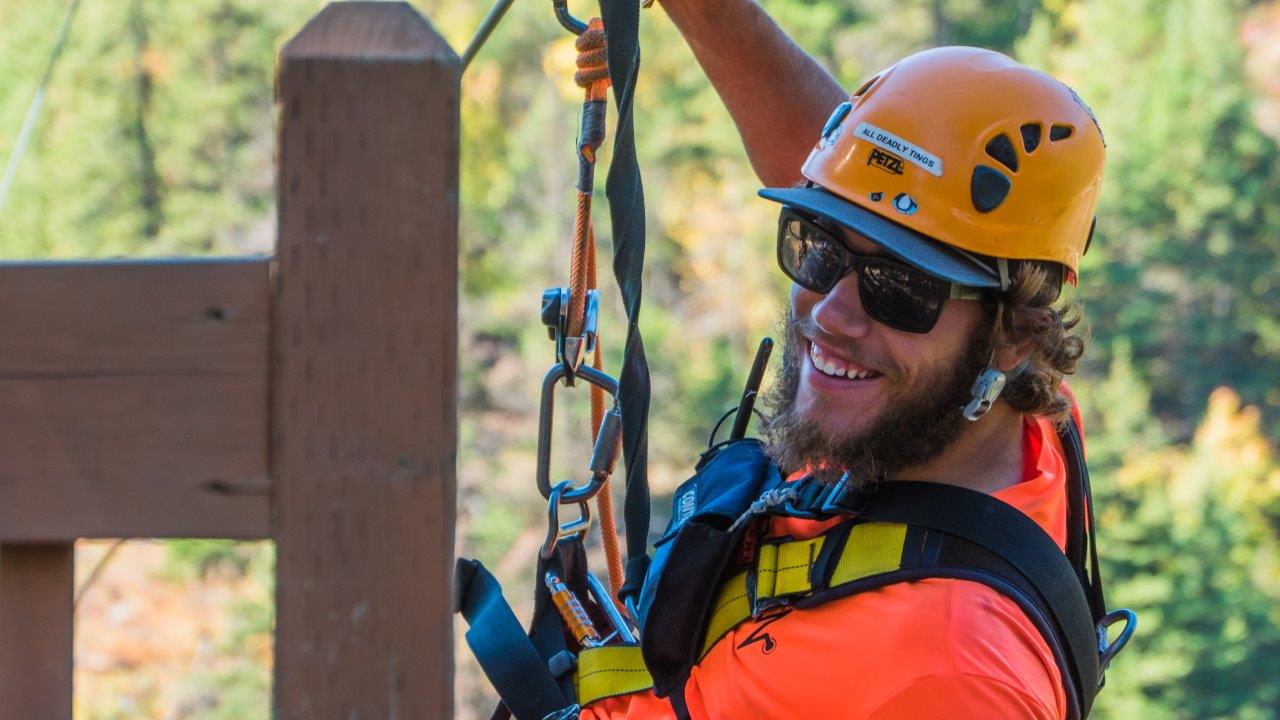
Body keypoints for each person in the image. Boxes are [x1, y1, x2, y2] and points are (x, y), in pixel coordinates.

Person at [578, 1, 1107, 718]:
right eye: (819, 249)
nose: (830, 312)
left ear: (1016, 332)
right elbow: (867, 193)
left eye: (902, 289)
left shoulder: (955, 678)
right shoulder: (972, 410)